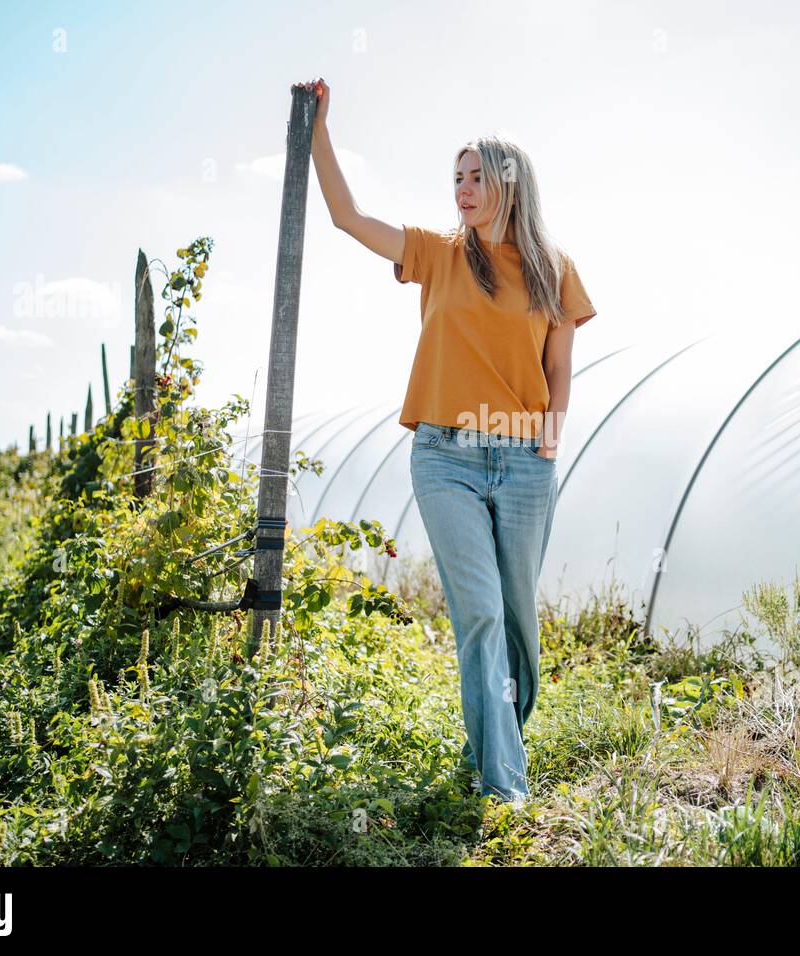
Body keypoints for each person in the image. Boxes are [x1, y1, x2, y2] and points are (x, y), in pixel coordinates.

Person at [296, 77, 597, 804]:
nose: (463, 188)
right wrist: (317, 130)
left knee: (520, 623)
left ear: (510, 185)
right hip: (445, 458)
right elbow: (346, 217)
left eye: (476, 176)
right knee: (482, 613)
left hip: (525, 460)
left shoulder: (554, 269)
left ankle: (494, 740)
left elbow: (559, 369)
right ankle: (504, 785)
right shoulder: (437, 253)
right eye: (456, 177)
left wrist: (548, 443)